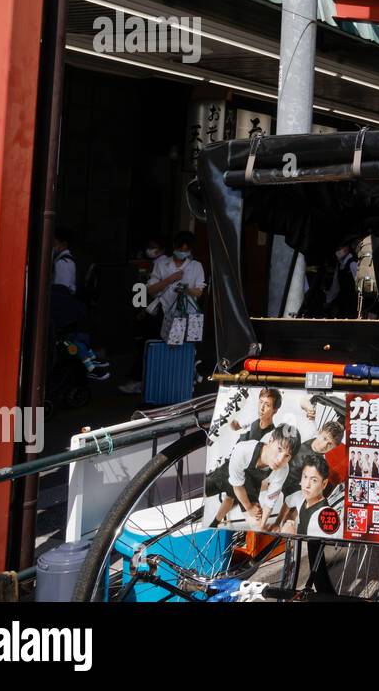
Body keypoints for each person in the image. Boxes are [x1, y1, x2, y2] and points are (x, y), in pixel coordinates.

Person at [119, 231, 205, 395]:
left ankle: (178, 382)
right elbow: (150, 290)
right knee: (154, 346)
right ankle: (145, 381)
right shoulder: (162, 264)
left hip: (185, 315)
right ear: (174, 247)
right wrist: (170, 279)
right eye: (180, 249)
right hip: (162, 312)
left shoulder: (196, 266)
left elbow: (199, 292)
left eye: (186, 250)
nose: (183, 253)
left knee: (182, 349)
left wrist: (187, 290)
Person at [207, 424, 301, 529]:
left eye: (287, 455)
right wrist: (248, 507)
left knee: (257, 527)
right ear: (270, 440)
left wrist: (262, 525)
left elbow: (271, 500)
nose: (280, 460)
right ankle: (214, 523)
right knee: (207, 489)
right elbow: (237, 486)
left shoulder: (283, 469)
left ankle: (214, 524)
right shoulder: (243, 450)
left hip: (250, 486)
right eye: (279, 449)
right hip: (228, 475)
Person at [49, 227, 110, 379]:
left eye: (54, 242)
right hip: (73, 310)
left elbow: (60, 290)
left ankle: (91, 368)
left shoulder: (63, 263)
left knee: (69, 342)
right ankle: (94, 360)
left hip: (64, 312)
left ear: (63, 244)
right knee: (74, 340)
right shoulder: (69, 260)